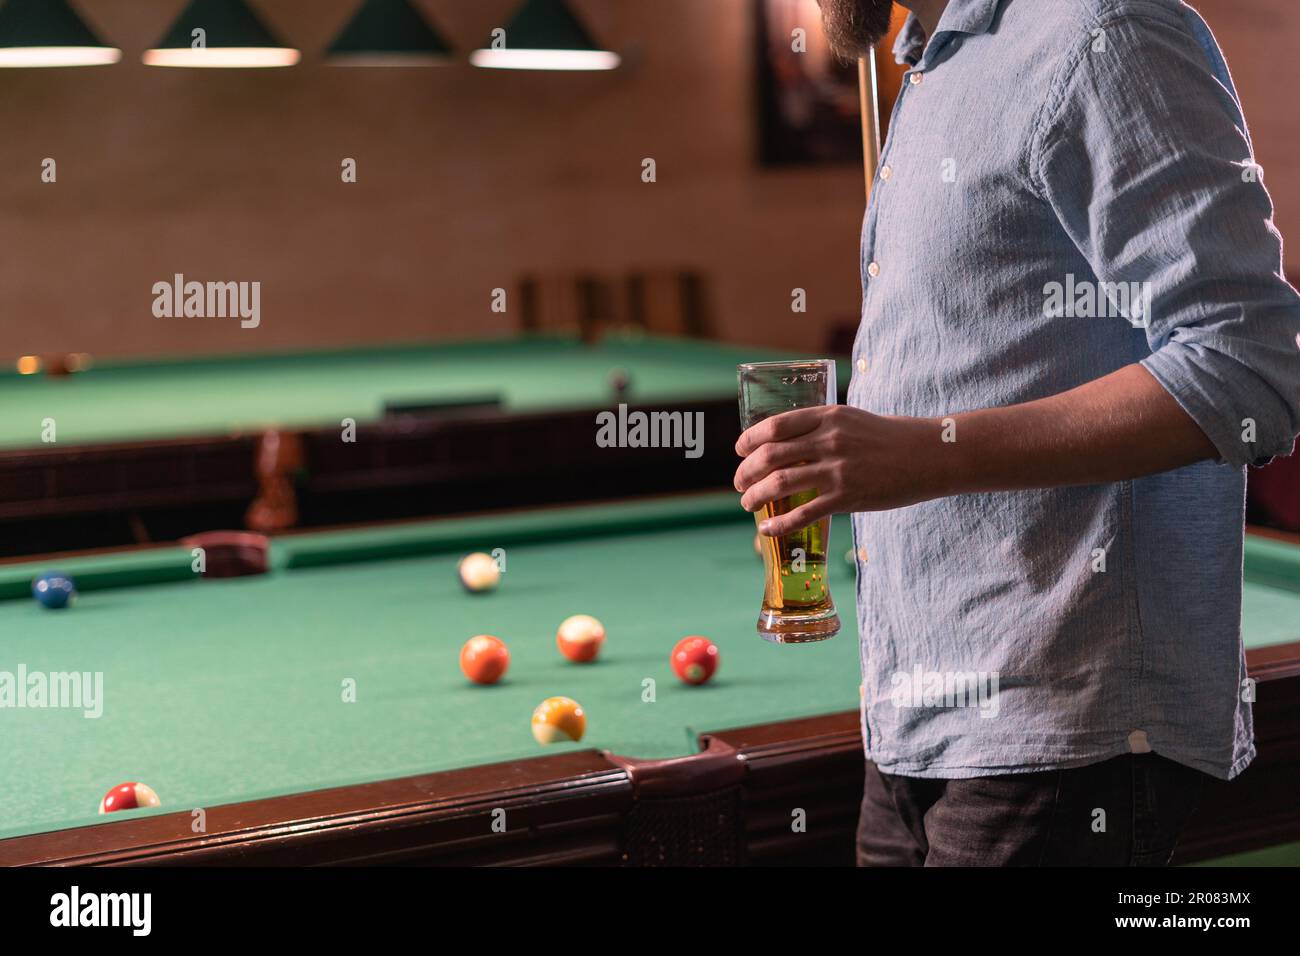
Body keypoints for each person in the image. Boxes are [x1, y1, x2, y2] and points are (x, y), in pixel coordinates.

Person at [733, 0, 1300, 865]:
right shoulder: (934, 64)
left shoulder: (1103, 32)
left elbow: (1250, 364)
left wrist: (923, 453)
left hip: (1063, 727)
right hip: (917, 720)